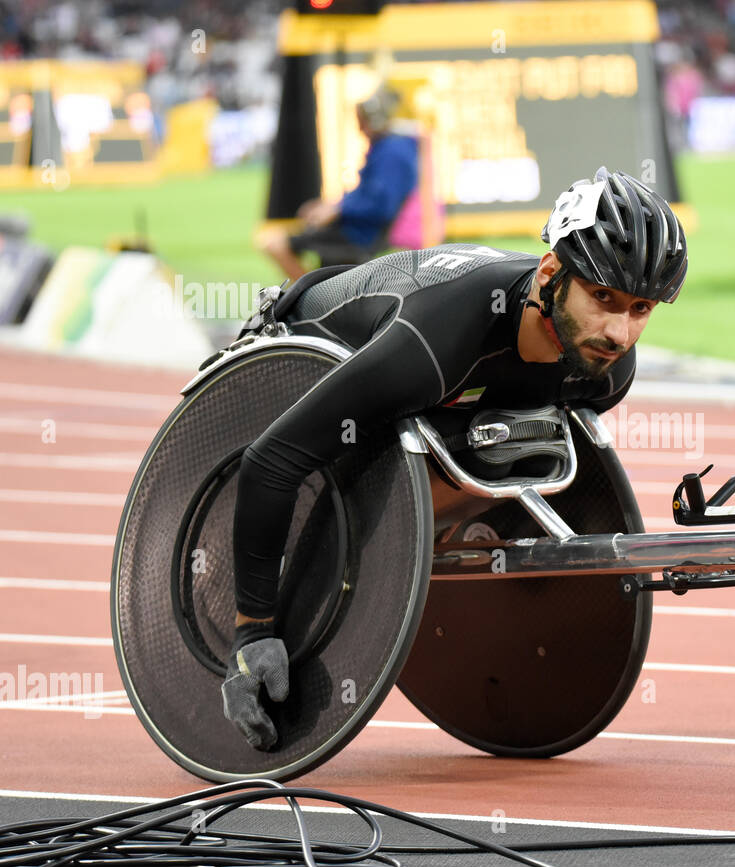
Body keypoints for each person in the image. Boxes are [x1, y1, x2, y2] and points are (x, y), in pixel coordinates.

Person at [222, 167, 688, 750]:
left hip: (438, 389)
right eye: (602, 298)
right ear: (551, 274)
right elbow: (269, 463)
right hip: (312, 342)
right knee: (366, 483)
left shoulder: (604, 369)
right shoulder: (435, 346)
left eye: (641, 308)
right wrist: (252, 634)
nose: (619, 332)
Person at [259, 85, 418, 279]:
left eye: (362, 122)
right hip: (355, 230)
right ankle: (317, 296)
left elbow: (382, 205)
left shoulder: (392, 153)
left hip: (358, 234)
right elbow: (371, 195)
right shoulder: (390, 148)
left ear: (375, 119)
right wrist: (334, 206)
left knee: (275, 244)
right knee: (277, 242)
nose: (360, 129)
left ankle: (313, 299)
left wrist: (338, 210)